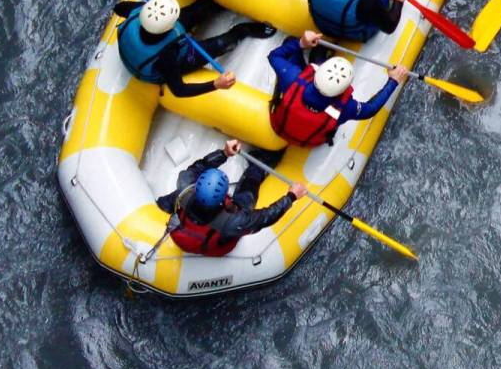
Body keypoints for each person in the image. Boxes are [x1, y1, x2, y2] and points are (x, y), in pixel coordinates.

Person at [156, 138, 307, 256]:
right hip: (218, 242)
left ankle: (162, 204)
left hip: (190, 223)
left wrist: (224, 153)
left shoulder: (185, 185)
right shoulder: (232, 222)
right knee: (247, 196)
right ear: (224, 199)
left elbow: (199, 167)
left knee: (176, 196)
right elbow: (265, 217)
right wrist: (291, 197)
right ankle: (257, 166)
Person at [266, 31, 410, 148]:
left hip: (279, 125)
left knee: (291, 41)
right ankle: (320, 53)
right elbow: (370, 109)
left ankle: (315, 55)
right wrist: (393, 80)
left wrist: (301, 43)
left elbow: (274, 56)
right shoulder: (346, 108)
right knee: (316, 55)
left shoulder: (291, 78)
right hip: (311, 140)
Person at [112, 0, 274, 97]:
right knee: (221, 44)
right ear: (168, 27)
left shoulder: (136, 12)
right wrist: (216, 84)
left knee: (200, 8)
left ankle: (222, 1)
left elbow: (118, 8)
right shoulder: (168, 56)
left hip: (151, 41)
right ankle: (243, 30)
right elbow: (179, 90)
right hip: (169, 59)